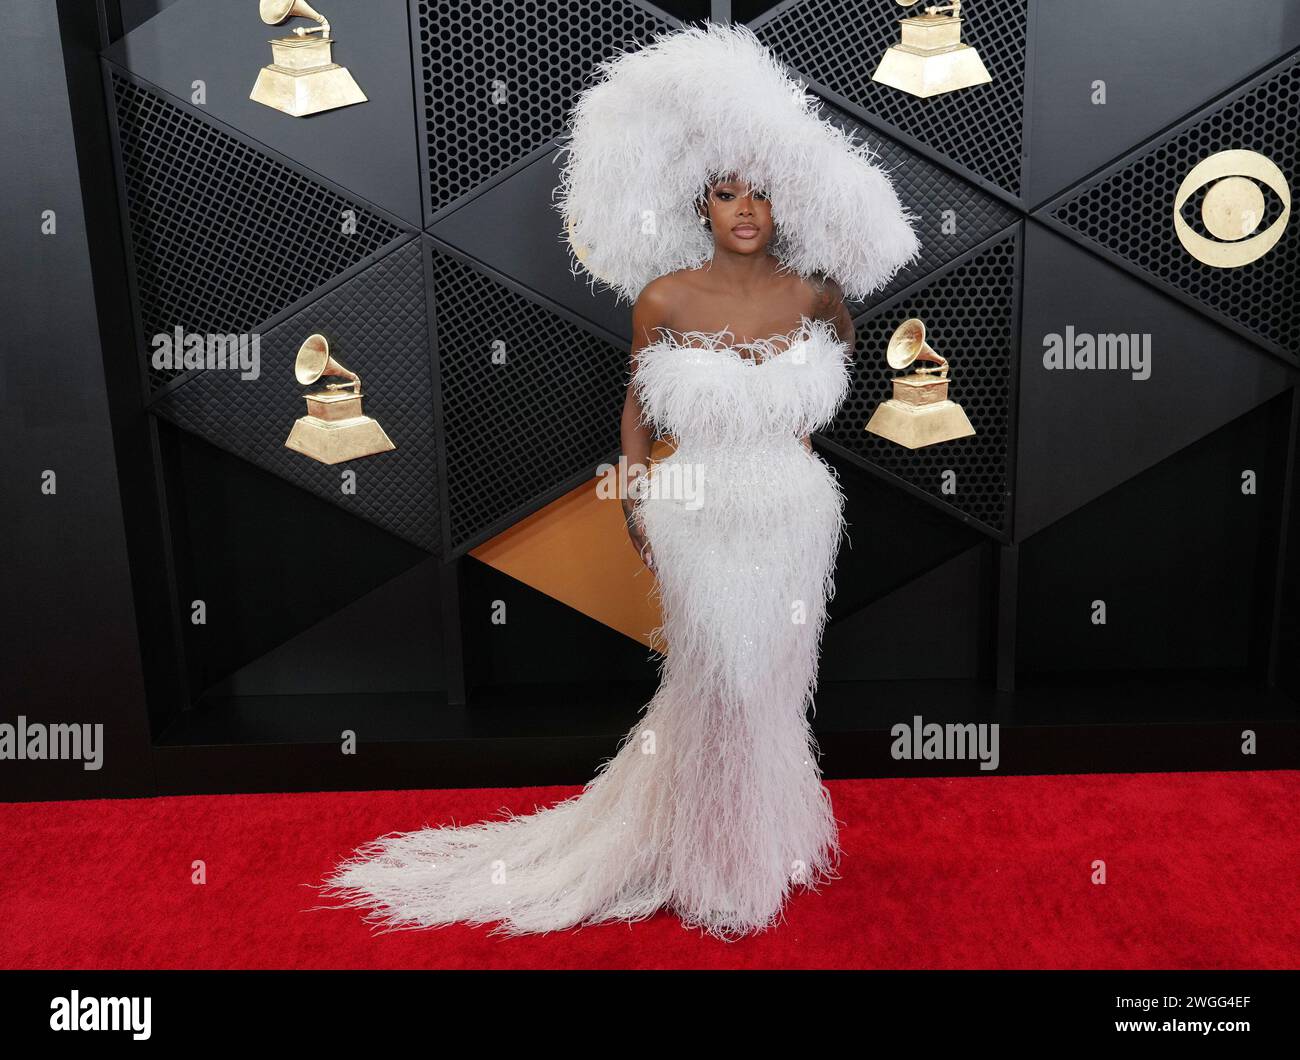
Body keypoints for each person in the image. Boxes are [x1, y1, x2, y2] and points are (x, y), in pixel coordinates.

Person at [306, 21, 920, 941]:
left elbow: (830, 380)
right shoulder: (665, 297)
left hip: (792, 516)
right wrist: (636, 493)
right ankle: (710, 859)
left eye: (758, 191)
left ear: (780, 202)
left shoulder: (817, 297)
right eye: (724, 192)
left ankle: (758, 846)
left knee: (773, 688)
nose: (743, 208)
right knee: (718, 680)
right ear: (701, 204)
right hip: (695, 513)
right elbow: (637, 409)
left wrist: (772, 429)